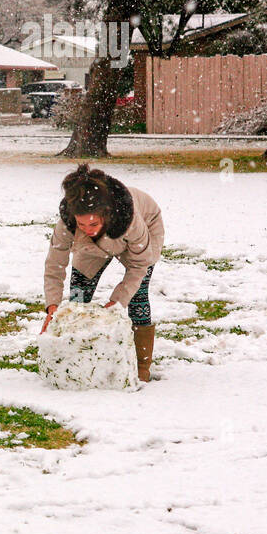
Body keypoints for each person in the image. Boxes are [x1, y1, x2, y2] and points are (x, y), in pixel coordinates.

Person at [40, 164, 163, 382]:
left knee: (137, 294)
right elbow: (54, 265)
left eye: (93, 223)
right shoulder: (68, 222)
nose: (88, 228)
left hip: (141, 230)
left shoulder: (131, 219)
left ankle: (141, 363)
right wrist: (53, 306)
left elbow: (139, 267)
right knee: (78, 294)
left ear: (104, 213)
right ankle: (76, 354)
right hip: (93, 247)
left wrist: (117, 302)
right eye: (82, 224)